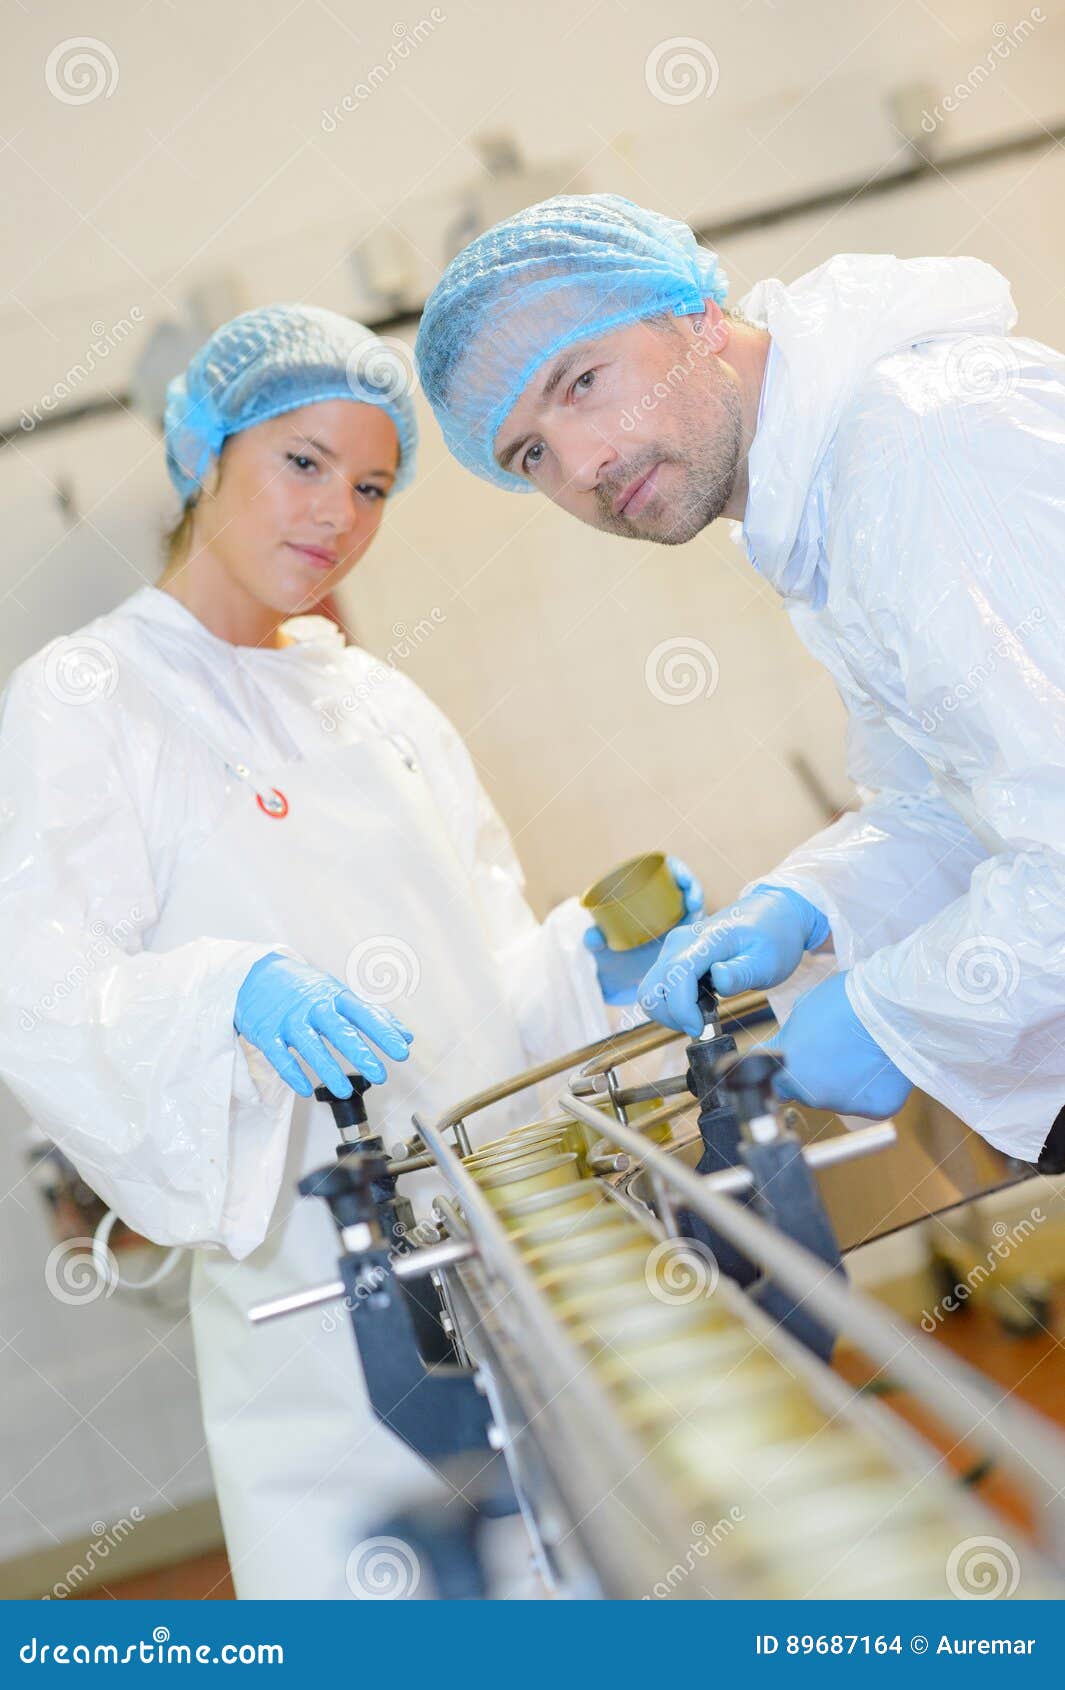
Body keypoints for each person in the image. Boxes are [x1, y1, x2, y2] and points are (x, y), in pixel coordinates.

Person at [0, 303, 702, 1598]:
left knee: (582, 1576)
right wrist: (225, 993)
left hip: (509, 1241)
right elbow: (40, 990)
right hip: (321, 1299)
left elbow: (481, 983)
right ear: (204, 454)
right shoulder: (86, 696)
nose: (337, 514)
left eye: (373, 483)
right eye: (302, 463)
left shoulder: (376, 700)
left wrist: (586, 961)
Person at [415, 194, 1065, 1166]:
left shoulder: (921, 449)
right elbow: (956, 802)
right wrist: (809, 901)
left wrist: (898, 1014)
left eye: (584, 380)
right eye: (531, 454)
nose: (582, 463)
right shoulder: (834, 497)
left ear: (696, 315)